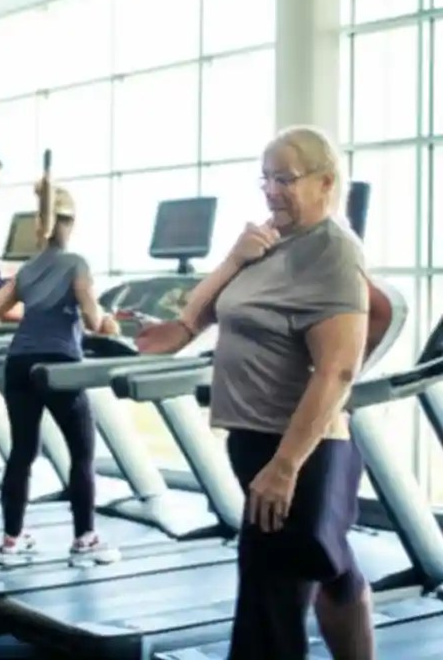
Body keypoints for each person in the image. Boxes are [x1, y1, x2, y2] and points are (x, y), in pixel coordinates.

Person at [136, 125, 373, 660]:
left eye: (284, 179)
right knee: (326, 567)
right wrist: (234, 258)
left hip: (297, 450)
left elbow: (337, 371)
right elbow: (192, 318)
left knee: (270, 605)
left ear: (325, 182)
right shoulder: (267, 240)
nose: (270, 190)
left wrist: (286, 465)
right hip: (253, 440)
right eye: (264, 178)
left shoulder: (333, 251)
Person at [0, 173, 122, 567]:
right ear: (69, 224)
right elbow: (90, 318)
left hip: (18, 364)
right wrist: (109, 323)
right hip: (58, 366)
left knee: (22, 453)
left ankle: (11, 543)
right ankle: (85, 539)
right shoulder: (76, 264)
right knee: (82, 452)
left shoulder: (29, 269)